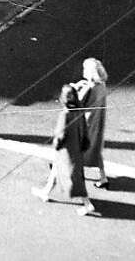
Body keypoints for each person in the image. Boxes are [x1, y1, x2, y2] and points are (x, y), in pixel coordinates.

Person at [40, 81, 98, 215]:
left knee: (75, 179)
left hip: (65, 151)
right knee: (56, 169)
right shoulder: (79, 111)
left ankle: (87, 204)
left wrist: (56, 144)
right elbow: (84, 130)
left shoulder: (65, 114)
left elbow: (60, 135)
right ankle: (46, 191)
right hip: (77, 149)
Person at [77, 58, 110, 188]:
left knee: (76, 147)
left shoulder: (89, 88)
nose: (83, 70)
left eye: (85, 68)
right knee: (95, 149)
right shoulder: (102, 85)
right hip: (97, 121)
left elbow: (78, 102)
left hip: (86, 122)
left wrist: (77, 87)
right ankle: (103, 177)